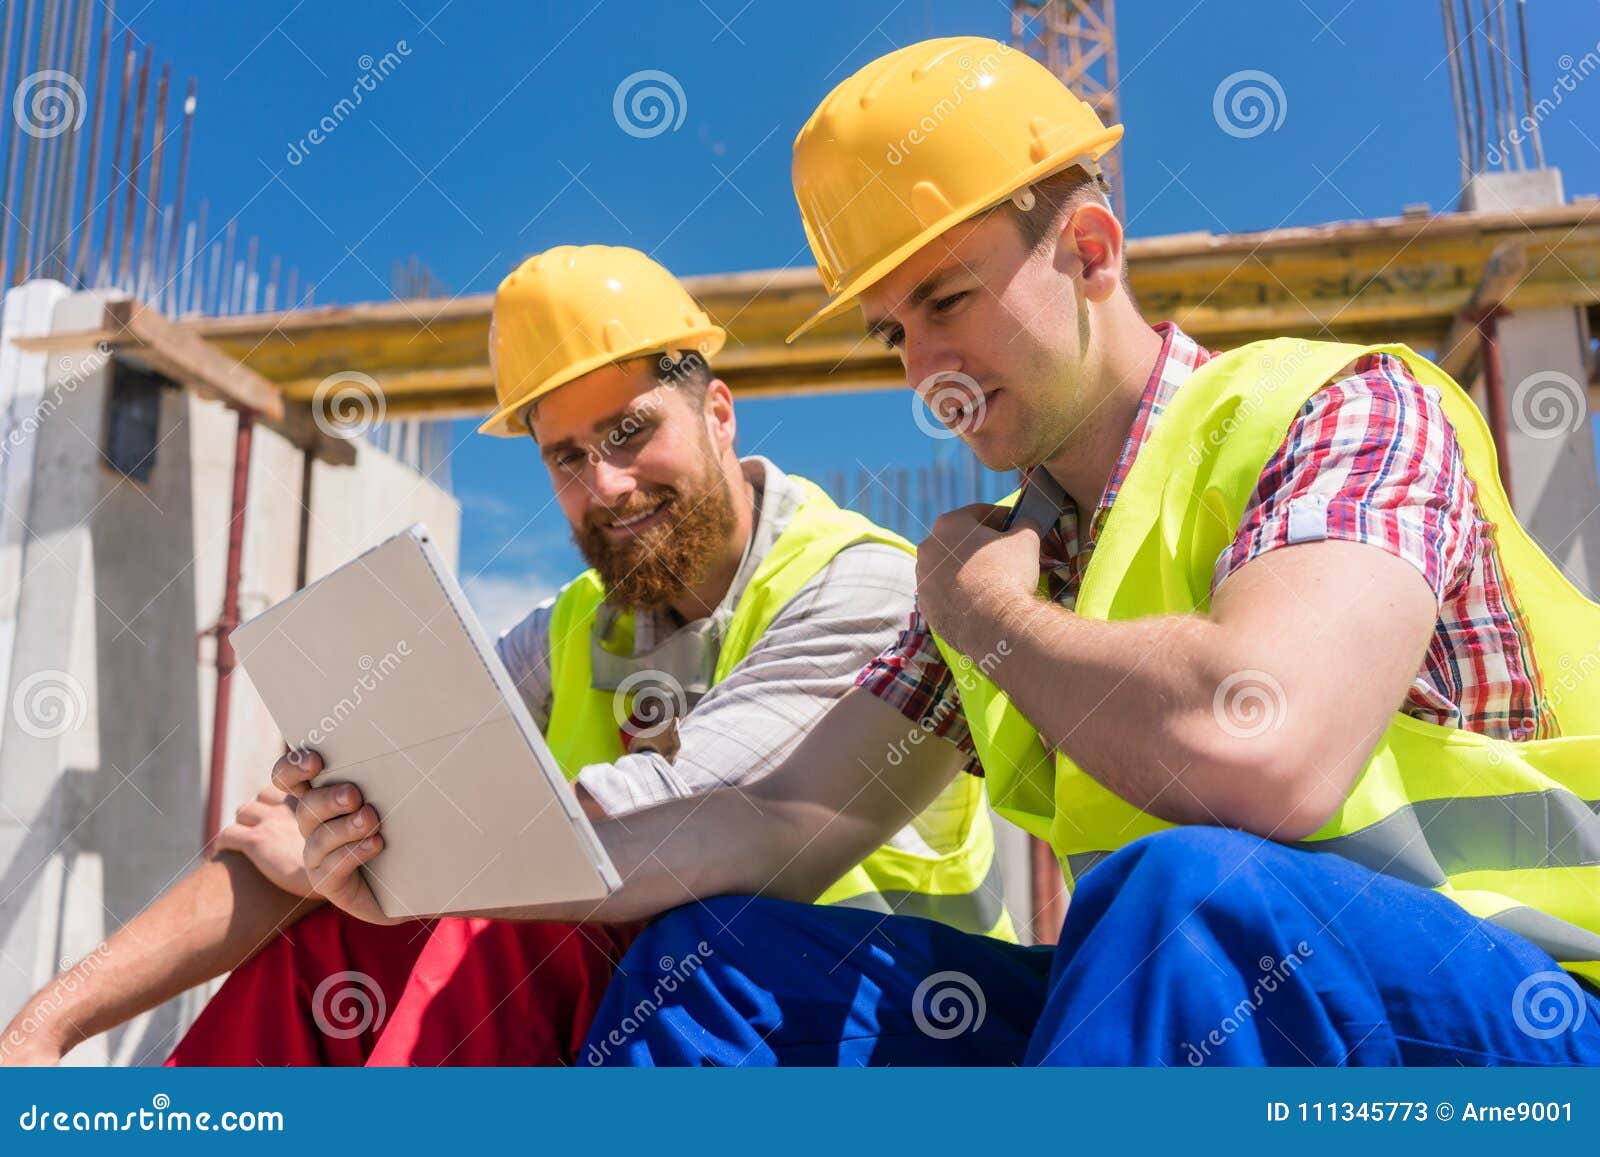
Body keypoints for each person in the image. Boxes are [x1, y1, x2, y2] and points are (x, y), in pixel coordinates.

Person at [293, 36, 1600, 1066]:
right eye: (891, 331)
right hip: (1185, 1011)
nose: (924, 367)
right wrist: (443, 872)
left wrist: (993, 619)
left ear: (1091, 249)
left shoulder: (1343, 409)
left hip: (1514, 1018)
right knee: (722, 961)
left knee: (1187, 897)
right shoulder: (1005, 562)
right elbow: (776, 817)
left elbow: (1264, 749)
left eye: (948, 300)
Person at [0, 244, 1008, 1067]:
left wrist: (407, 841)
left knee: (519, 916)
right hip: (661, 1014)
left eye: (629, 430)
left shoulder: (859, 586)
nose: (605, 484)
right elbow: (282, 851)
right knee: (346, 924)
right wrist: (45, 1026)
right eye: (567, 456)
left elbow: (675, 834)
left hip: (862, 1017)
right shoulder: (574, 626)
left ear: (717, 411)